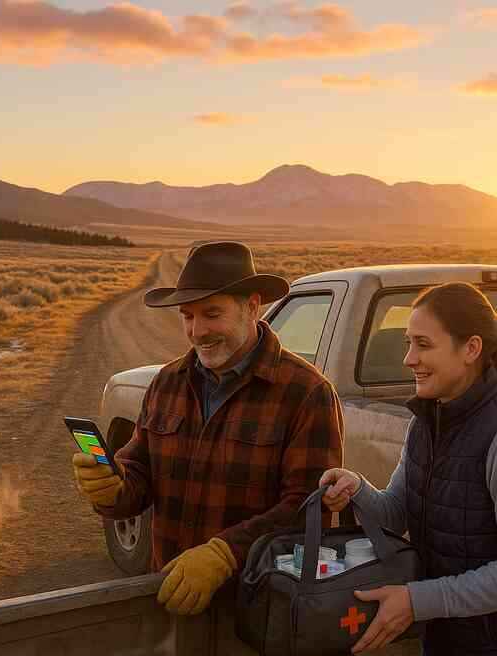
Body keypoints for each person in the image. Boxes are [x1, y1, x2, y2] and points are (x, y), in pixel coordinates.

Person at [73, 241, 343, 616]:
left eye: (212, 314)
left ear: (252, 306)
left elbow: (307, 513)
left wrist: (227, 553)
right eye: (187, 316)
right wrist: (112, 487)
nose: (197, 331)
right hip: (171, 600)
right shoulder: (166, 383)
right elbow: (140, 477)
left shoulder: (306, 394)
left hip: (256, 612)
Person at [321, 282, 497, 656]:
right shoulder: (427, 424)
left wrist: (417, 601)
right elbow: (396, 512)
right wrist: (357, 489)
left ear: (470, 349)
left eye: (423, 344)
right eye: (408, 343)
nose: (409, 358)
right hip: (444, 649)